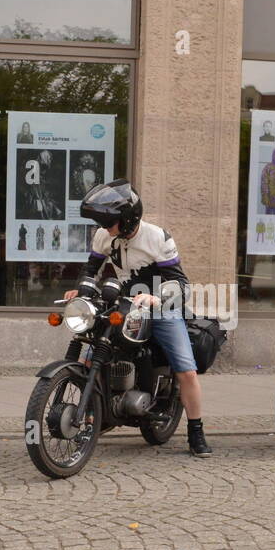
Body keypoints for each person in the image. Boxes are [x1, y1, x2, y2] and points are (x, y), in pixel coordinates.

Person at [65, 180, 212, 457]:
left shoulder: (158, 238)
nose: (105, 228)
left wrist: (158, 299)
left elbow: (182, 284)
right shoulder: (104, 236)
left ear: (128, 219)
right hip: (125, 302)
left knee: (186, 370)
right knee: (91, 352)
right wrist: (81, 288)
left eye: (110, 222)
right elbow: (91, 268)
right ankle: (97, 410)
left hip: (161, 305)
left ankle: (196, 431)